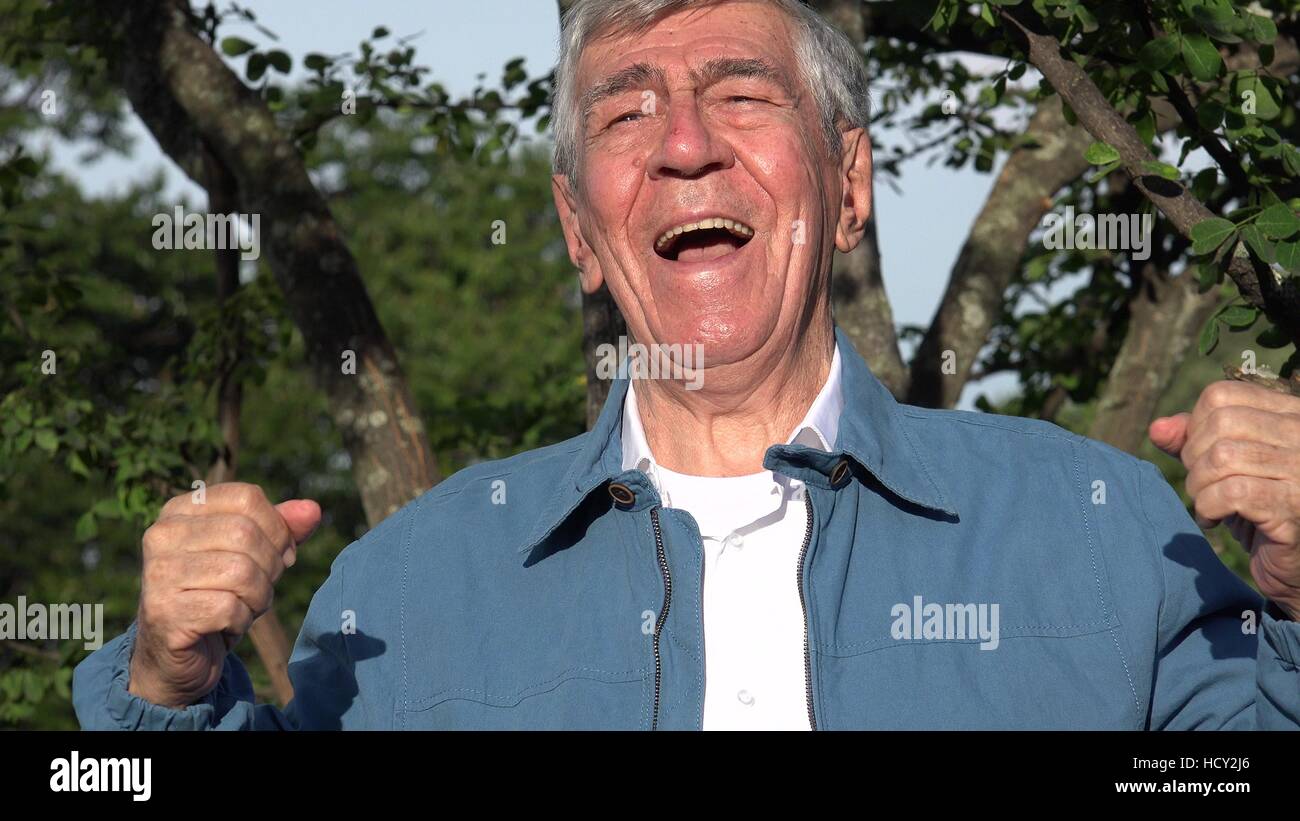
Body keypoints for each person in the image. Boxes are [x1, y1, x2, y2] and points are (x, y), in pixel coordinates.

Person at [74, 0, 1300, 730]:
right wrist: (163, 683)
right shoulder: (402, 594)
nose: (685, 145)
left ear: (852, 182)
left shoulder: (1101, 533)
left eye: (740, 93)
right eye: (624, 111)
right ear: (575, 229)